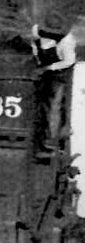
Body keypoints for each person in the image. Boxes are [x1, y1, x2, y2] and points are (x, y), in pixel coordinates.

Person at [31, 17, 76, 154]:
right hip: (42, 68)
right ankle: (38, 136)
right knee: (37, 104)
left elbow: (68, 61)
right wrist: (38, 62)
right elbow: (34, 45)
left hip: (60, 72)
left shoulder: (67, 41)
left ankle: (51, 140)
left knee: (54, 104)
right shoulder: (36, 31)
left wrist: (49, 68)